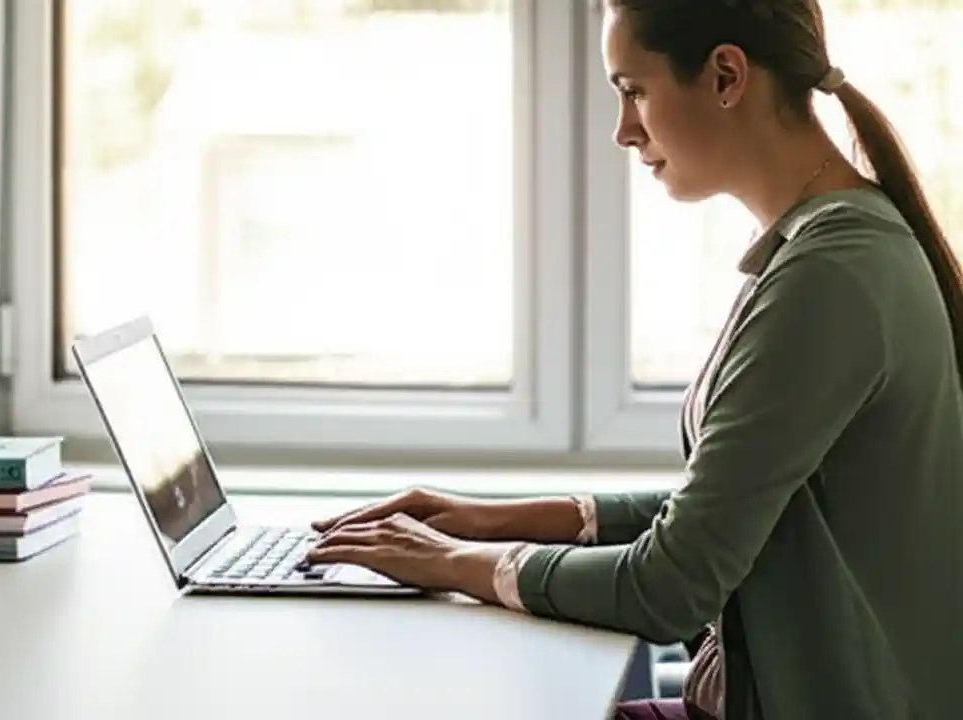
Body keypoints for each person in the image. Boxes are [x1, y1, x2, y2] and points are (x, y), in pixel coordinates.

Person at [302, 2, 963, 719]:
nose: (624, 129)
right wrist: (485, 521)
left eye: (634, 90)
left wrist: (454, 565)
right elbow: (723, 517)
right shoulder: (824, 251)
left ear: (725, 75)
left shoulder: (831, 274)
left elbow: (673, 585)